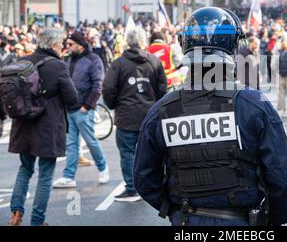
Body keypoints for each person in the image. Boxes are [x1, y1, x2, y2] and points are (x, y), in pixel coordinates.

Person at [134, 7, 287, 226]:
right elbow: (284, 175)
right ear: (233, 47)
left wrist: (177, 210)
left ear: (185, 46)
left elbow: (143, 178)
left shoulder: (161, 111)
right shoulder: (254, 106)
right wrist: (271, 219)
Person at [7, 28, 78, 226]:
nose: (63, 46)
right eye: (62, 43)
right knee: (45, 176)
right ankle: (37, 221)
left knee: (25, 169)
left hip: (23, 125)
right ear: (54, 45)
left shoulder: (24, 61)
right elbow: (72, 99)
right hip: (48, 128)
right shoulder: (58, 66)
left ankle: (15, 213)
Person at [102, 27, 167, 202]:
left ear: (127, 42)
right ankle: (151, 185)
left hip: (126, 116)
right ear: (143, 42)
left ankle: (131, 188)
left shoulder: (118, 63)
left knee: (128, 153)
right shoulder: (154, 61)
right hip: (150, 114)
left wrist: (114, 105)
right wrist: (157, 106)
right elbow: (162, 89)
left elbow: (108, 89)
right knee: (152, 152)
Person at [53, 31, 109, 188]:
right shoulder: (69, 59)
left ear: (80, 44)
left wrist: (88, 105)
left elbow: (98, 85)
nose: (68, 47)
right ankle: (68, 176)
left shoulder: (93, 60)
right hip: (70, 108)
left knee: (91, 141)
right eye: (67, 44)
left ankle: (103, 168)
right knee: (71, 144)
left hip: (83, 109)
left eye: (70, 44)